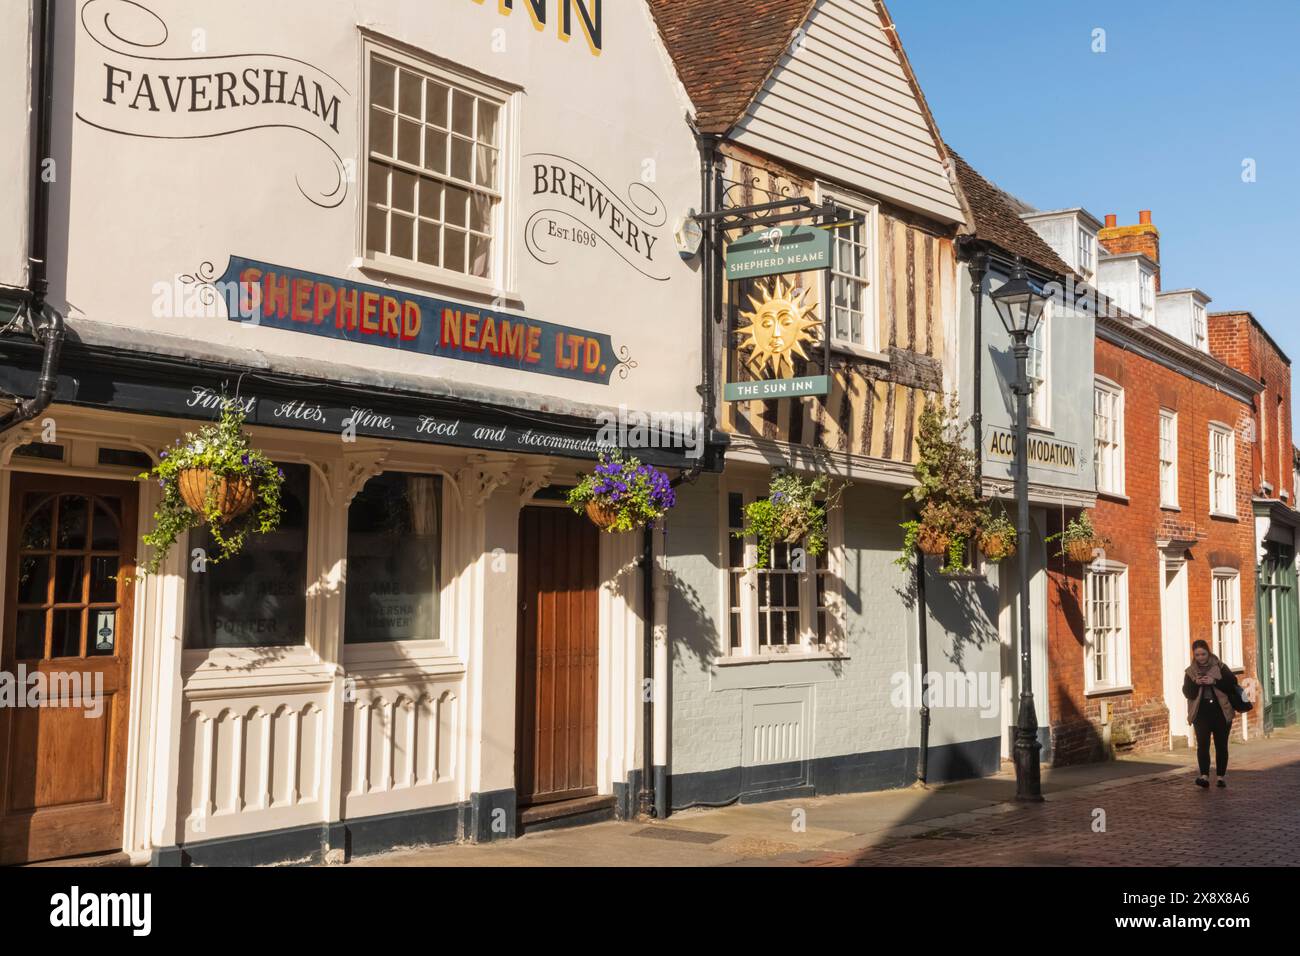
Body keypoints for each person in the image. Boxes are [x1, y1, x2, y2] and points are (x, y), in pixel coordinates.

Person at [1182, 639, 1238, 789]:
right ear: (1194, 655)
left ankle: (1220, 777)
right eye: (1197, 655)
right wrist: (1196, 683)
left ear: (1209, 652)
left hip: (1221, 711)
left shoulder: (1220, 666)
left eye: (1203, 654)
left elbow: (1232, 684)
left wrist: (1214, 681)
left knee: (1221, 745)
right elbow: (1187, 692)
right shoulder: (1190, 671)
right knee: (1203, 745)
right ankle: (1204, 776)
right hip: (1201, 712)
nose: (1201, 657)